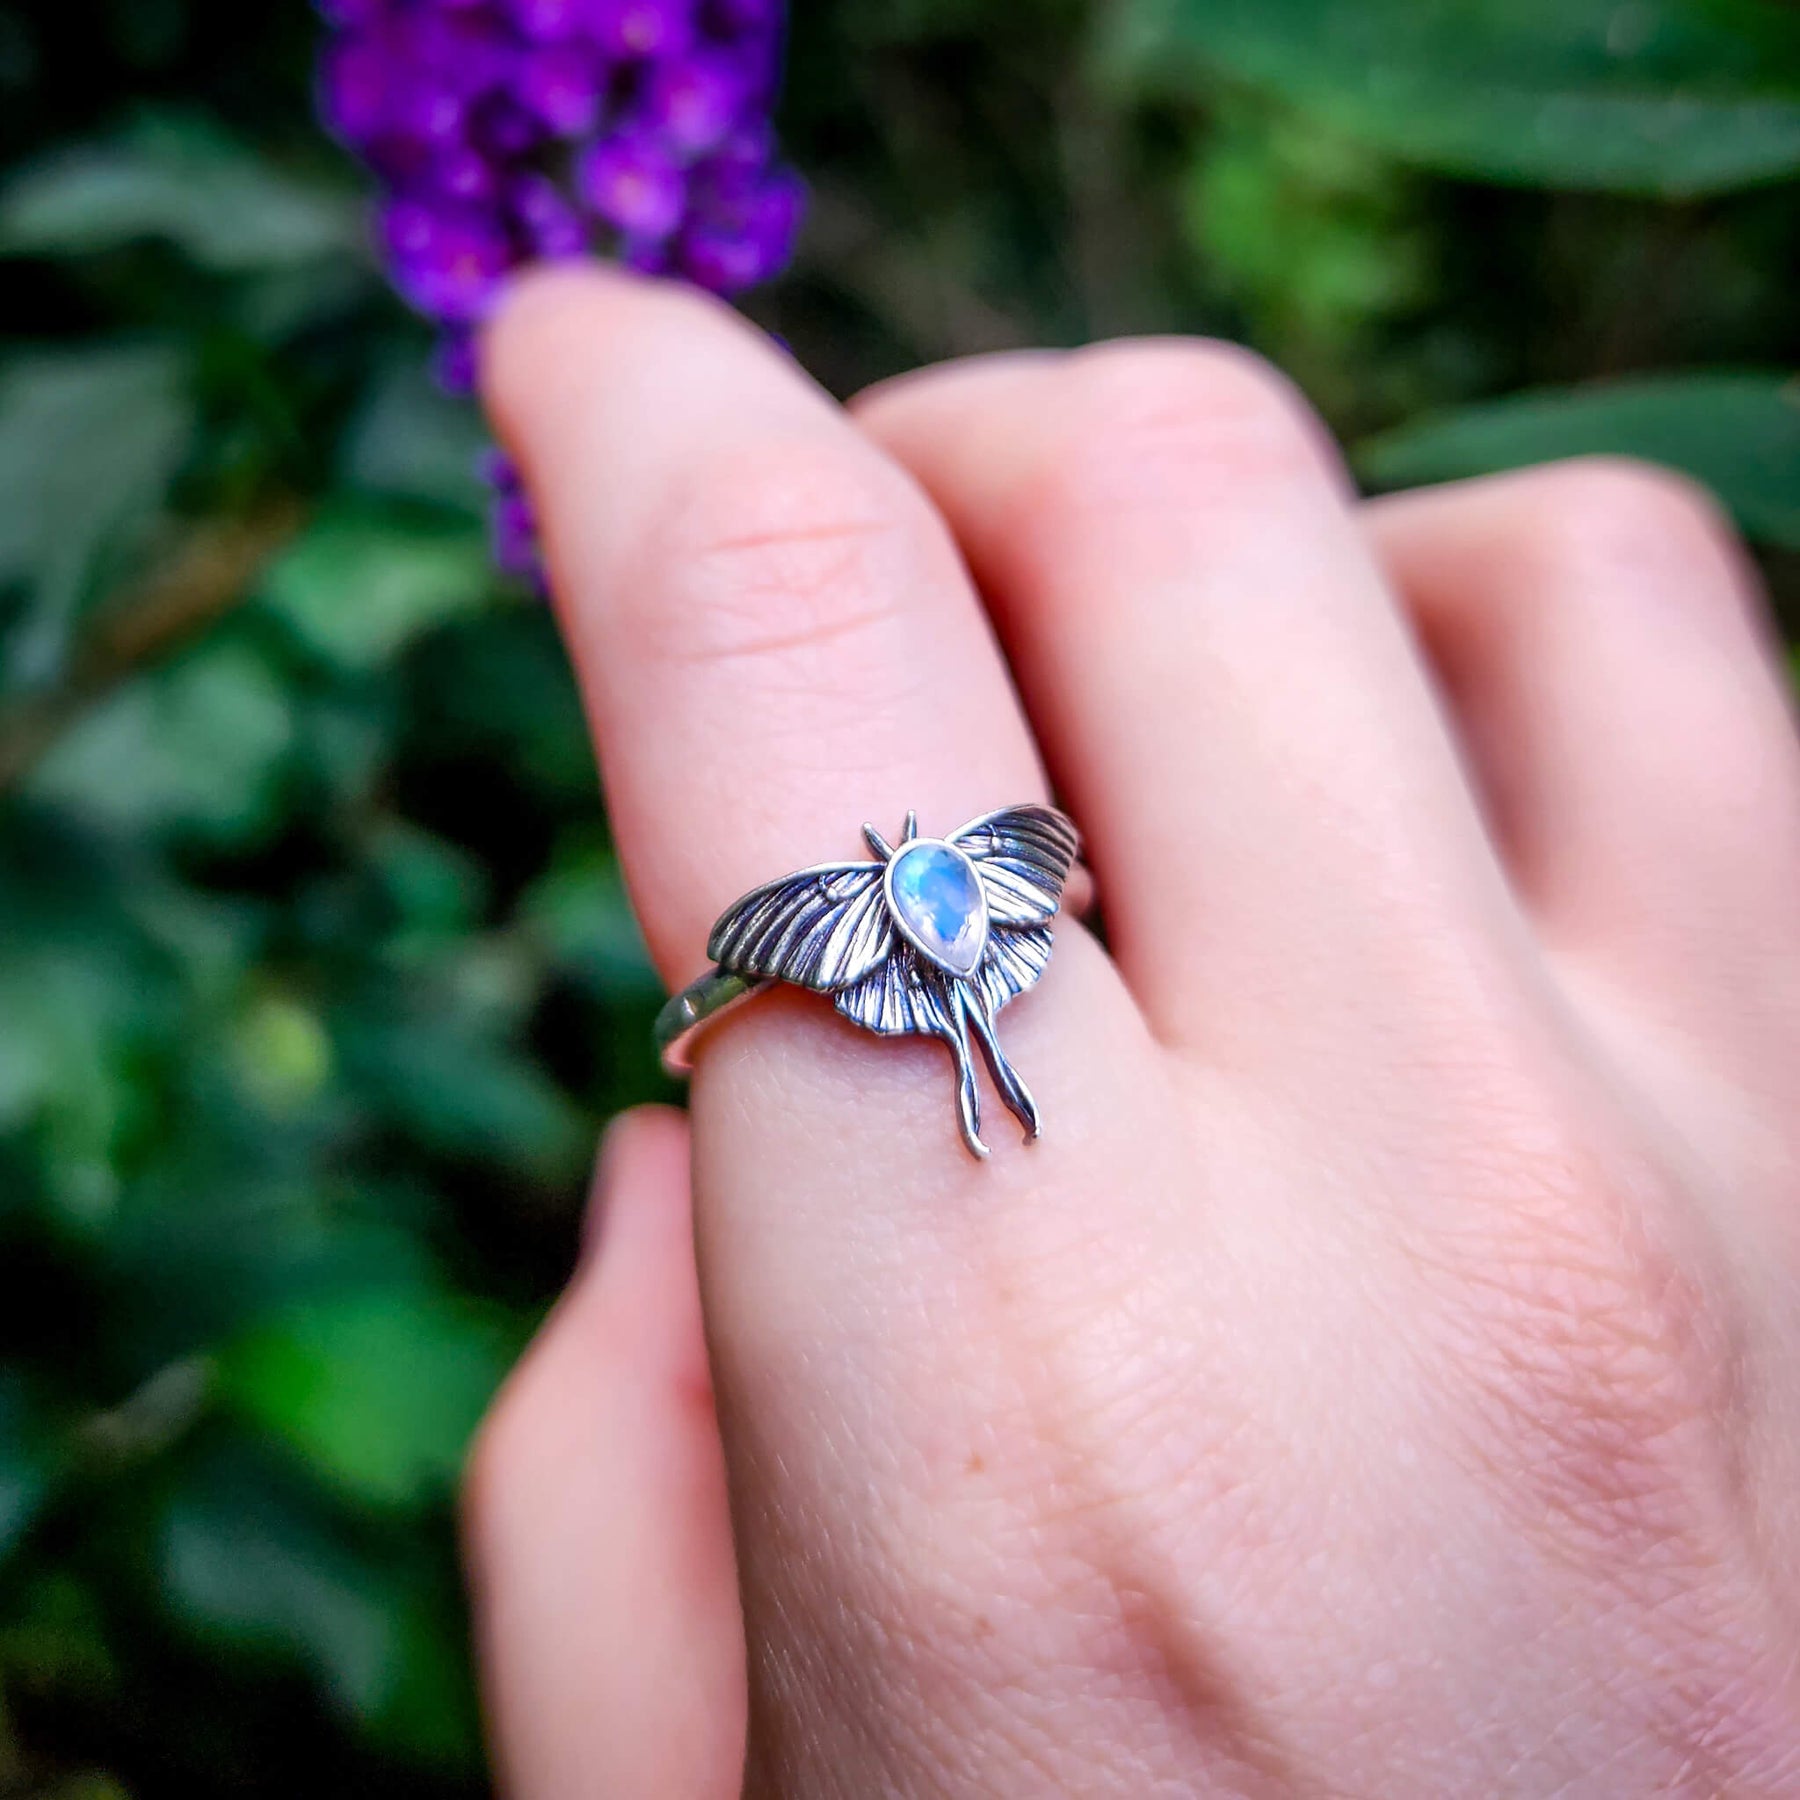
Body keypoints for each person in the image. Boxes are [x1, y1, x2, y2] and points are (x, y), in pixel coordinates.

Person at [460, 265, 1800, 1796]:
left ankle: (977, 1064)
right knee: (979, 1044)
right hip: (928, 938)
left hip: (934, 934)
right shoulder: (921, 892)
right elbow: (847, 918)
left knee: (974, 1045)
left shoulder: (967, 873)